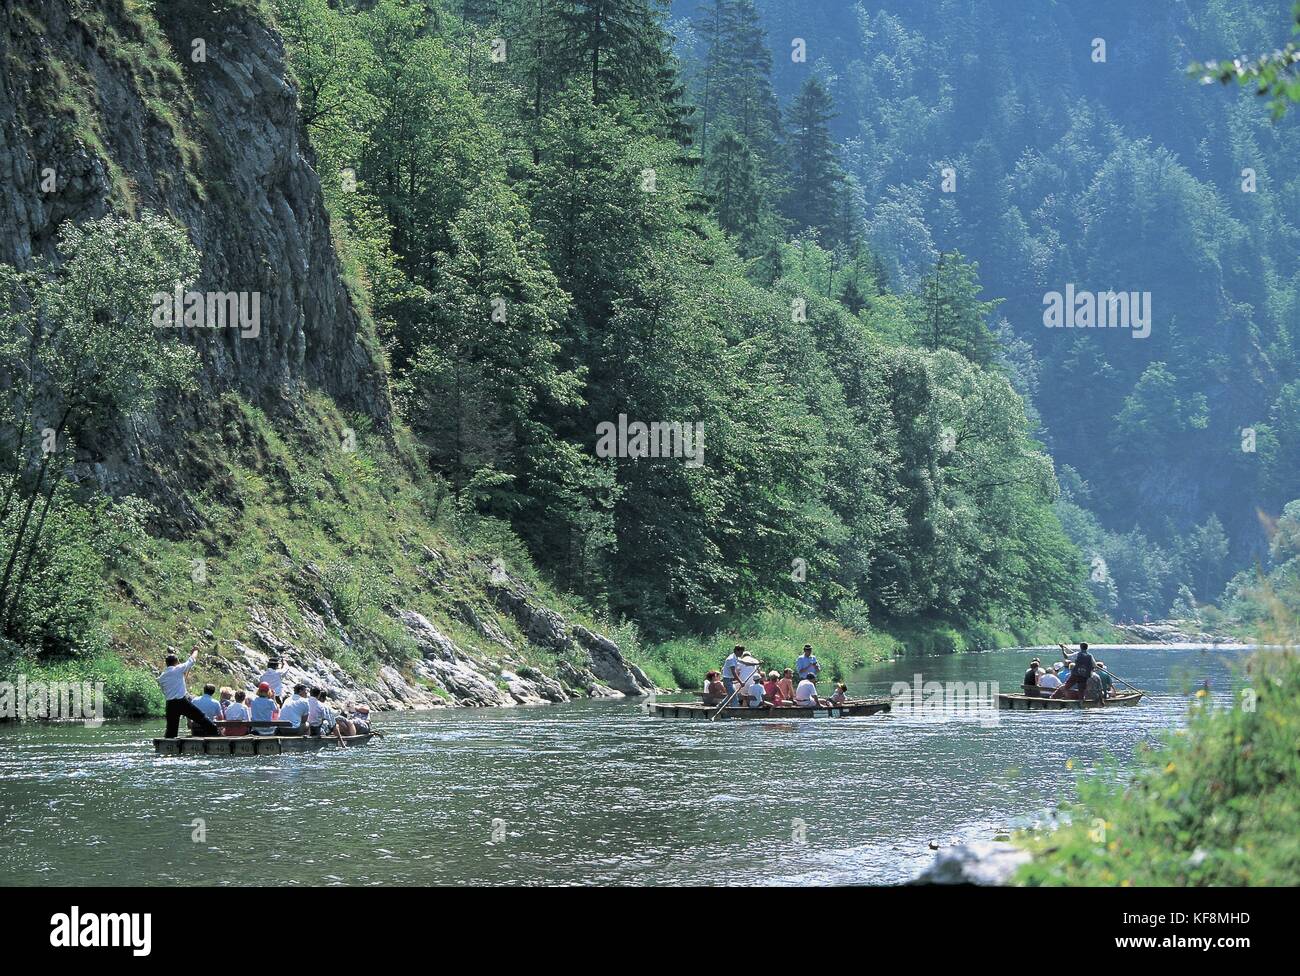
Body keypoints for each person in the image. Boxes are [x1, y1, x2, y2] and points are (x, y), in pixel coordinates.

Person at [157, 649, 218, 738]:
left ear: (166, 663)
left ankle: (168, 744)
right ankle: (214, 733)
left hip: (170, 704)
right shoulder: (178, 669)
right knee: (201, 718)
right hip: (181, 702)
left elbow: (165, 691)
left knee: (171, 729)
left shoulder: (161, 677)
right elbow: (191, 660)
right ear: (176, 662)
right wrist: (196, 651)